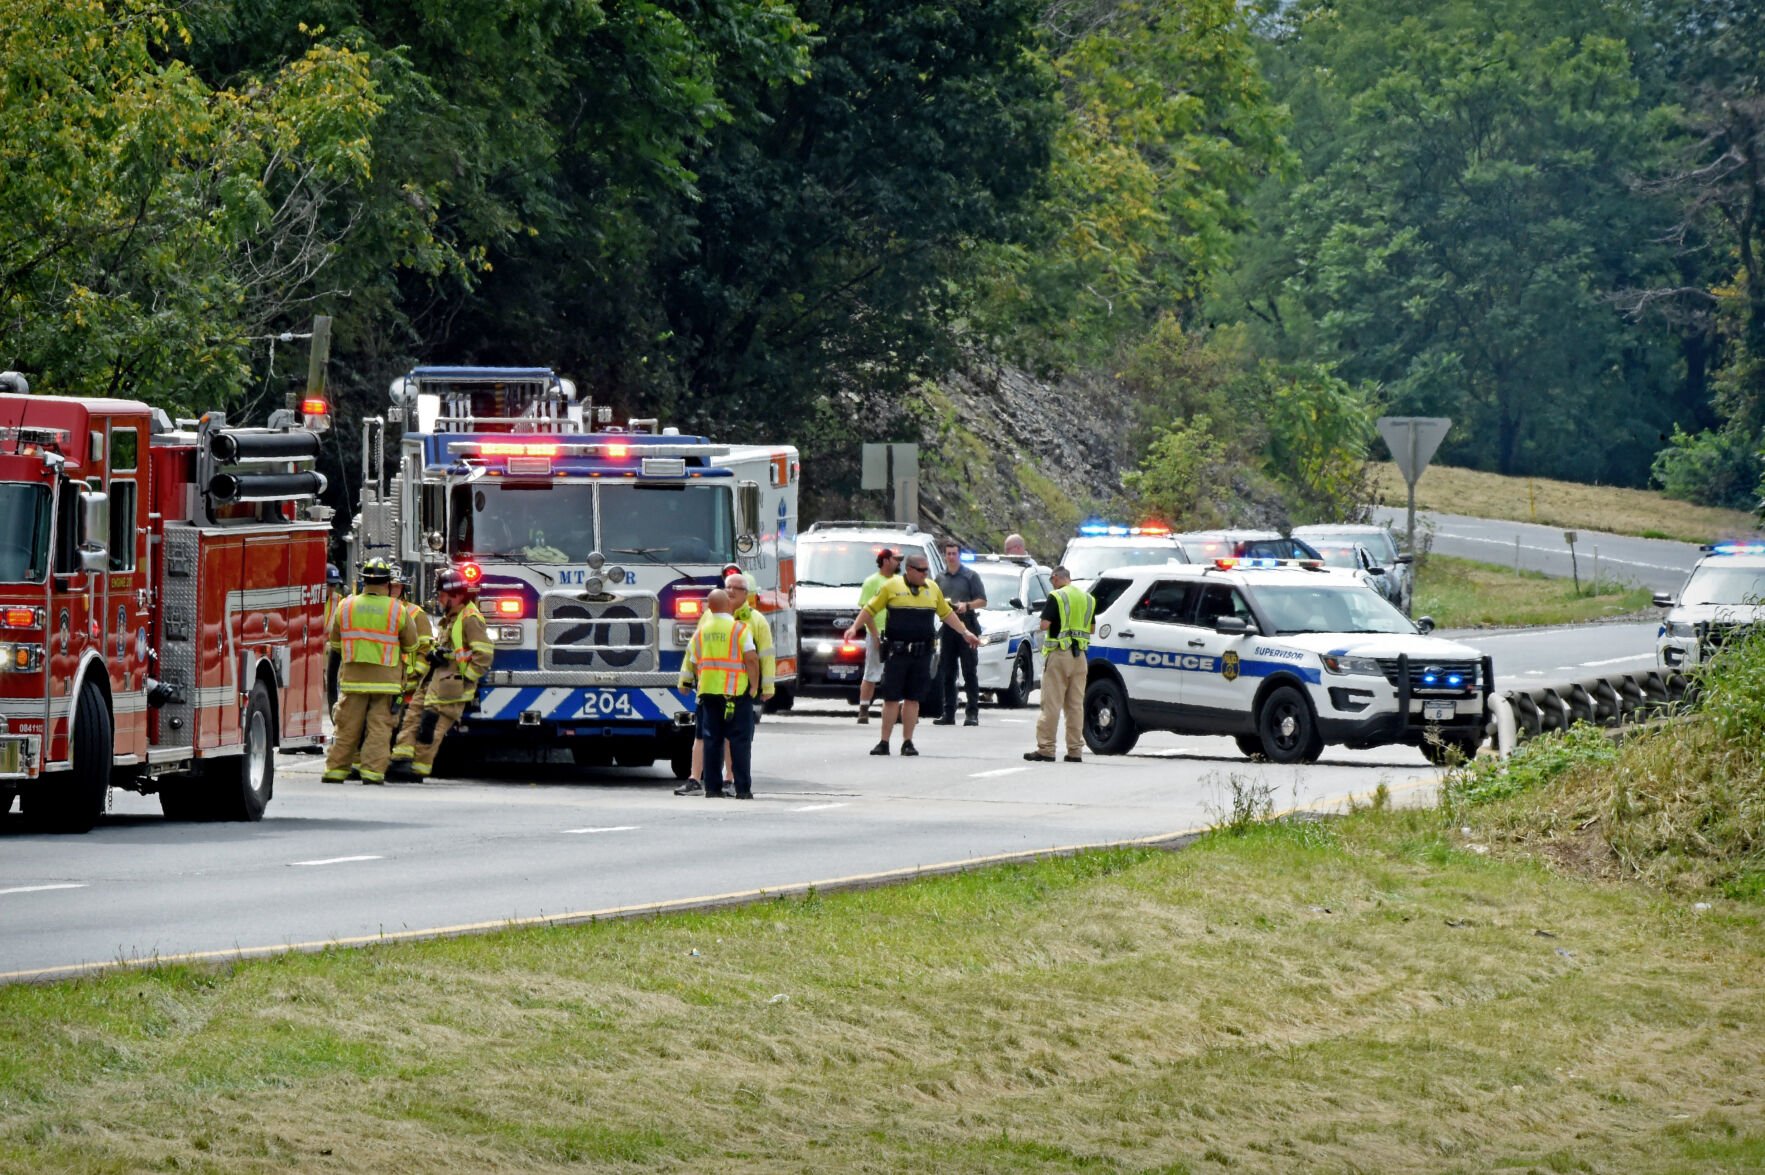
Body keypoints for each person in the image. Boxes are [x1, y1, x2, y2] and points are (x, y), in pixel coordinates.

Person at [844, 554, 980, 756]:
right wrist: (855, 627)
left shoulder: (932, 588)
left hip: (921, 652)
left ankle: (908, 742)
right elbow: (869, 609)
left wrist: (965, 632)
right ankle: (884, 741)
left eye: (927, 570)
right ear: (910, 570)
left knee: (913, 698)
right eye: (921, 570)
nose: (926, 574)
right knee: (891, 698)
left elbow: (946, 614)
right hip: (897, 652)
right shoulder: (891, 586)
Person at [387, 567, 494, 780]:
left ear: (456, 596)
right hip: (435, 680)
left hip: (451, 686)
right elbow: (453, 649)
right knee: (412, 717)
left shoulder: (470, 618)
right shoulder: (452, 617)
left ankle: (417, 769)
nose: (439, 599)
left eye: (442, 595)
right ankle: (401, 760)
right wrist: (438, 655)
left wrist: (467, 679)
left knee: (430, 728)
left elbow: (484, 655)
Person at [323, 558, 422, 784]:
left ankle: (335, 771)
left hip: (352, 680)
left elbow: (336, 644)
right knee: (379, 729)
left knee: (347, 727)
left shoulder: (345, 606)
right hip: (386, 682)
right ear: (387, 583)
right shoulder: (398, 609)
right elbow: (412, 644)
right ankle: (372, 773)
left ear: (363, 581)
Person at [676, 572, 775, 796]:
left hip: (709, 691)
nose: (730, 591)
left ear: (747, 594)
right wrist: (753, 685)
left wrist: (684, 682)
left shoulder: (751, 620)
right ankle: (740, 788)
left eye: (736, 588)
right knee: (737, 741)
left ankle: (714, 787)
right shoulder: (739, 629)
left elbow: (691, 656)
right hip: (735, 692)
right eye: (727, 587)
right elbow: (752, 659)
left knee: (712, 740)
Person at [1026, 565, 1095, 764]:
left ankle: (1046, 748)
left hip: (1059, 655)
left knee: (1052, 703)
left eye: (1052, 581)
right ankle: (1075, 751)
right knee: (1075, 706)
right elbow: (1091, 628)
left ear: (1056, 578)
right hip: (1080, 657)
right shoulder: (1087, 599)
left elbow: (1044, 625)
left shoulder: (1057, 596)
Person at [933, 539, 987, 727]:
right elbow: (934, 600)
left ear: (959, 555)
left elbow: (983, 600)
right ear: (944, 556)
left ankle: (972, 713)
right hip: (948, 628)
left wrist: (967, 605)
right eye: (948, 554)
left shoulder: (971, 576)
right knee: (947, 671)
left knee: (969, 671)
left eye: (954, 553)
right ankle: (948, 712)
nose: (951, 557)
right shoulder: (940, 578)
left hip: (968, 626)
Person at [855, 548, 901, 724]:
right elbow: (866, 610)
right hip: (877, 632)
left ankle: (899, 710)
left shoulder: (899, 581)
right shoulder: (871, 582)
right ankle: (863, 709)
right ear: (886, 561)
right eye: (896, 559)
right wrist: (875, 635)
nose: (899, 563)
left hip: (896, 633)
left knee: (897, 672)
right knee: (872, 671)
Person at [323, 563, 345, 708]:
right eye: (328, 584)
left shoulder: (339, 600)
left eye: (334, 585)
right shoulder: (311, 596)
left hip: (329, 646)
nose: (331, 588)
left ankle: (331, 702)